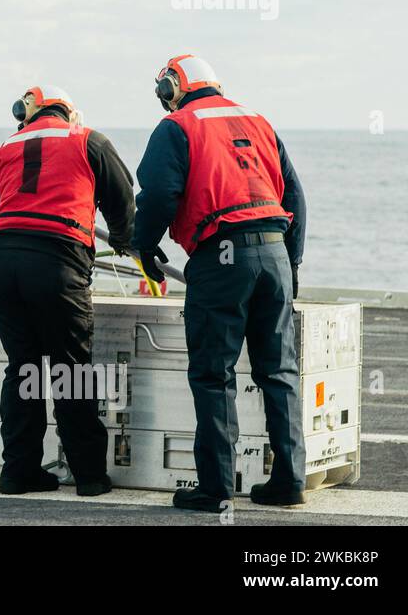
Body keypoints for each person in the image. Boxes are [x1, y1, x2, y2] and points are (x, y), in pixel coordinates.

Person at [132, 56, 307, 511]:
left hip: (220, 256)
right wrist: (293, 264)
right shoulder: (258, 120)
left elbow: (157, 195)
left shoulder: (177, 127)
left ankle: (216, 488)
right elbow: (295, 196)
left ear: (172, 88)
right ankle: (289, 481)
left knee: (214, 375)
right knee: (280, 372)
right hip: (275, 252)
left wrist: (144, 247)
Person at [0, 86, 135, 496]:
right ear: (69, 112)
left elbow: (5, 198)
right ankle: (89, 476)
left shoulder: (3, 149)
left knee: (23, 366)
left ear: (26, 116)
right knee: (70, 369)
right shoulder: (88, 139)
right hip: (55, 258)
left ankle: (18, 472)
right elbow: (122, 197)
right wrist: (122, 238)